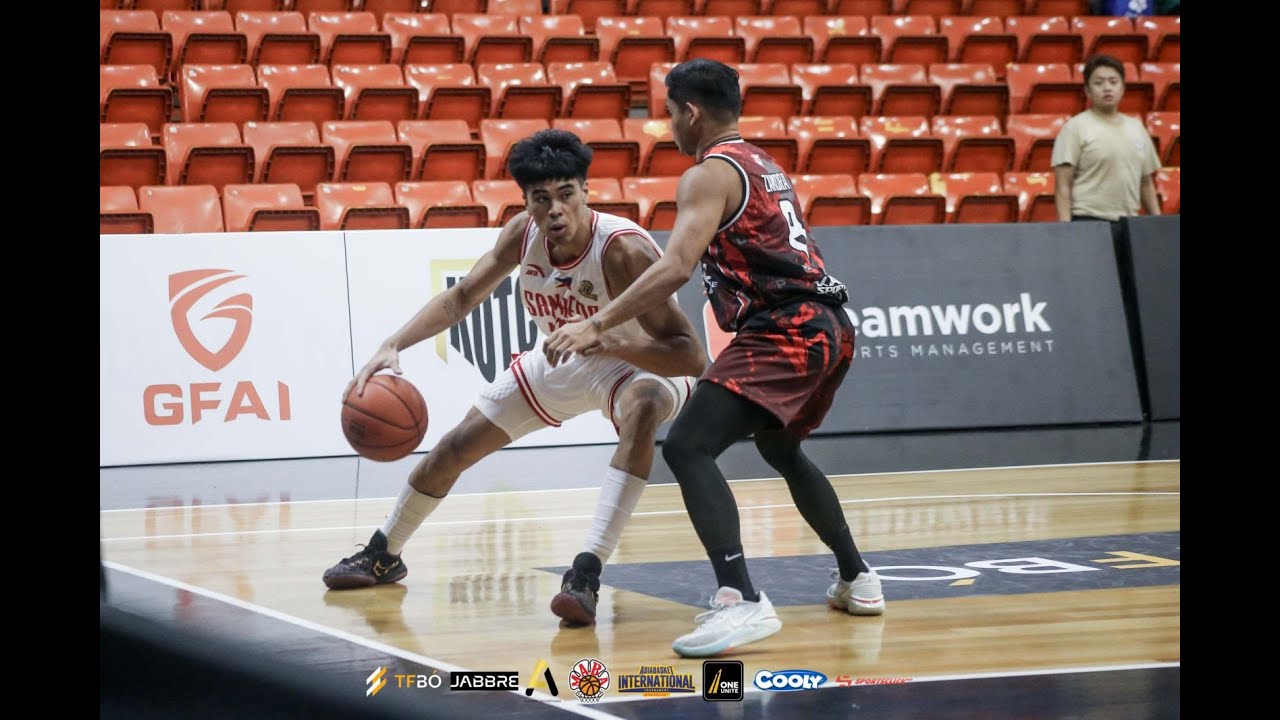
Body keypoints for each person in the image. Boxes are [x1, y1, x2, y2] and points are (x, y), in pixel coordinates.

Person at [544, 58, 884, 658]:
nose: (669, 125)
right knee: (781, 449)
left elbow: (675, 266)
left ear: (691, 112)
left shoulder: (708, 174)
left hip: (786, 328)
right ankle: (858, 577)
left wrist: (597, 322)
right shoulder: (763, 164)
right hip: (829, 326)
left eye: (670, 113)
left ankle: (740, 599)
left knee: (686, 445)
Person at [322, 129, 707, 628]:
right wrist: (394, 343)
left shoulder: (622, 251)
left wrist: (609, 339)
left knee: (644, 407)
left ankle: (586, 572)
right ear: (526, 202)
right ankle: (384, 553)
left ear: (586, 191)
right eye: (541, 198)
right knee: (457, 444)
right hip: (564, 354)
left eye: (566, 194)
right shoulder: (522, 234)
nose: (556, 210)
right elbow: (462, 298)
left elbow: (690, 357)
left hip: (641, 360)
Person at [1052, 54, 1163, 233]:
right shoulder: (1074, 128)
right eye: (1099, 83)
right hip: (1088, 222)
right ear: (1087, 91)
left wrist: (1158, 225)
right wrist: (1066, 231)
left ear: (1123, 88)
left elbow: (1146, 183)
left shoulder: (1137, 128)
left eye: (1113, 82)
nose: (1107, 88)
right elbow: (1063, 185)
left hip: (1130, 223)